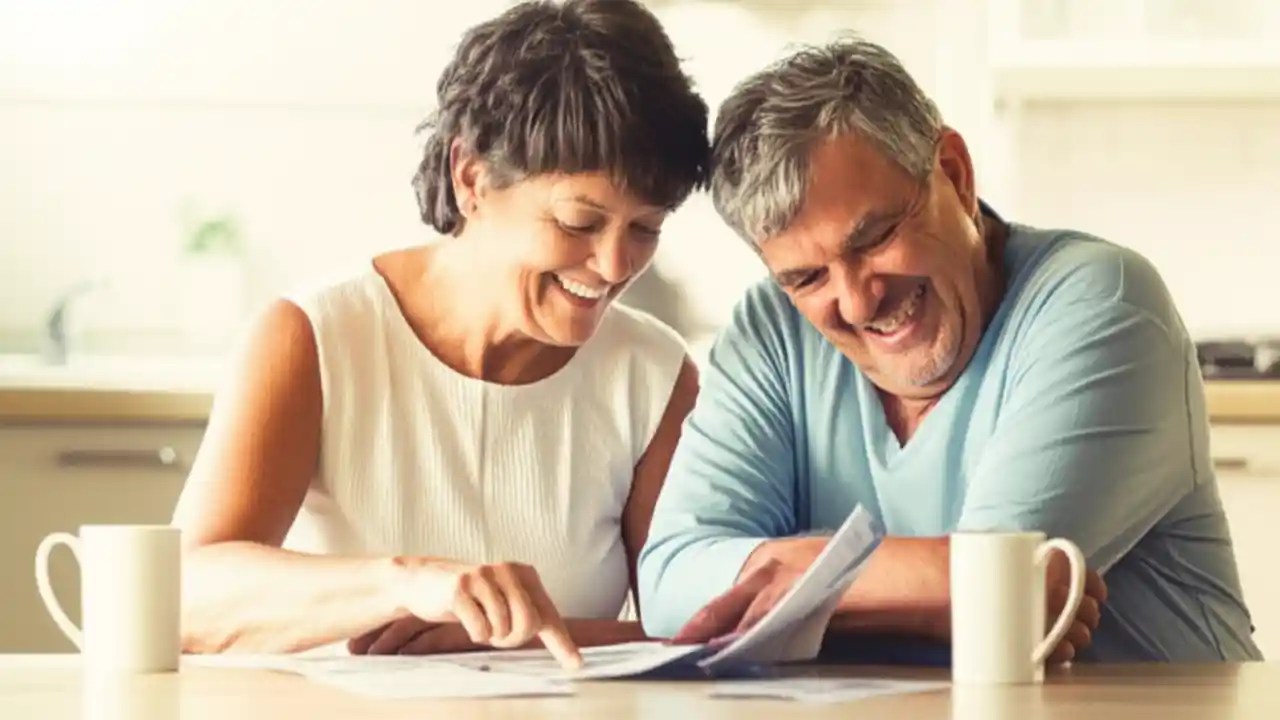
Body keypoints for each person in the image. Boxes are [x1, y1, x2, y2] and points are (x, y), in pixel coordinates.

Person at [637, 37, 1261, 663]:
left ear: (955, 175)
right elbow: (669, 587)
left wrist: (793, 577)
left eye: (875, 237)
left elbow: (996, 590)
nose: (856, 302)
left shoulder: (1103, 303)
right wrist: (936, 588)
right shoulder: (772, 332)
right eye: (808, 278)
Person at [172, 0, 708, 668]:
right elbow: (184, 595)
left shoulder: (653, 374)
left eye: (645, 228)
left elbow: (696, 629)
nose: (615, 265)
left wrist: (501, 637)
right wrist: (407, 583)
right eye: (579, 222)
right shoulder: (316, 340)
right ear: (472, 177)